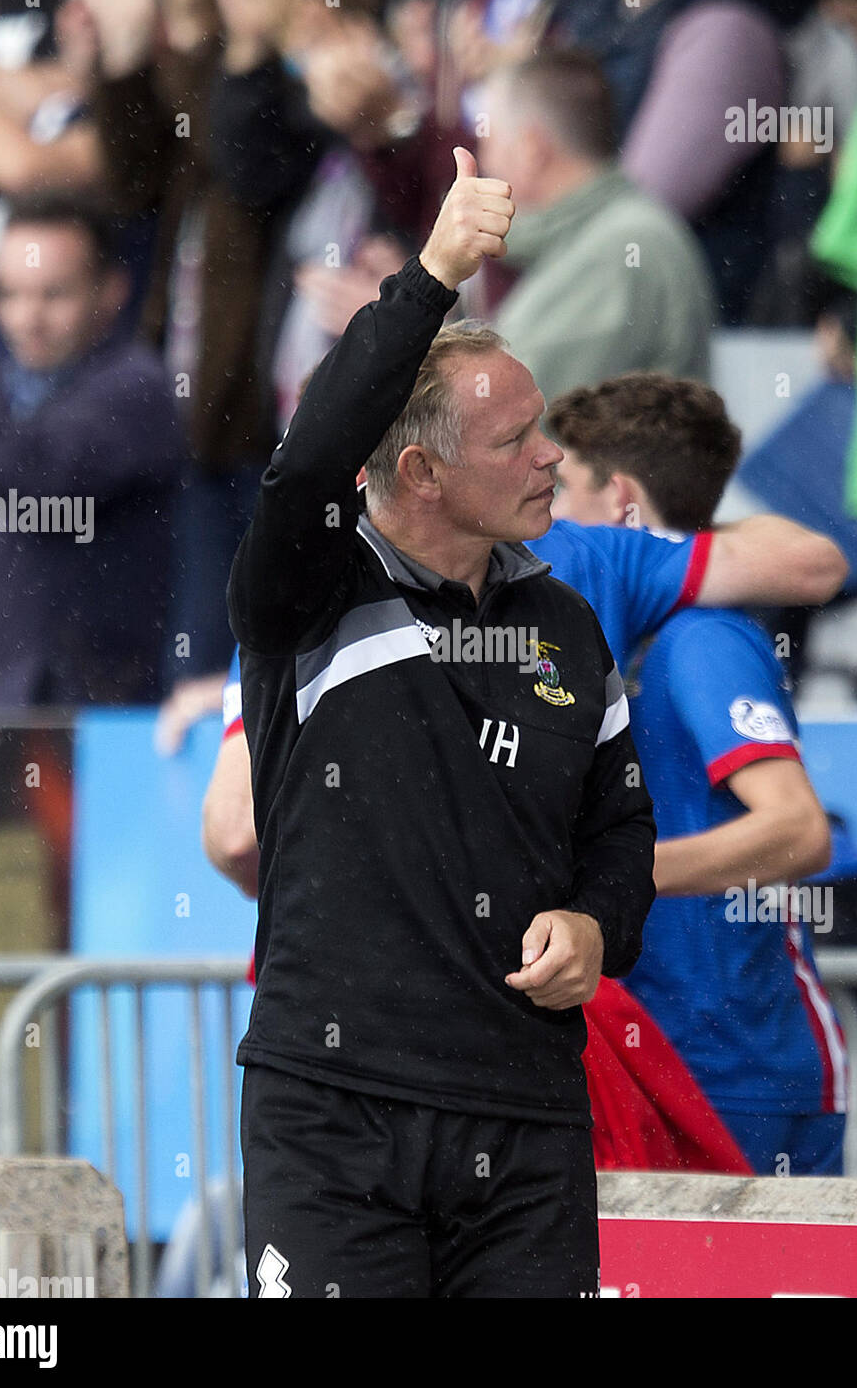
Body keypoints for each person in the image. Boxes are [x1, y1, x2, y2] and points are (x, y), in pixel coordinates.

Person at [229, 147, 661, 1299]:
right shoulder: (308, 590)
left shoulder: (564, 622)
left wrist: (592, 925)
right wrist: (430, 272)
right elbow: (308, 461)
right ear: (419, 469)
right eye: (516, 439)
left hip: (522, 1120)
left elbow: (621, 835)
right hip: (333, 1114)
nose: (550, 454)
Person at [550, 371, 848, 1175]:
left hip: (737, 1069)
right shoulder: (618, 640)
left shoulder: (699, 641)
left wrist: (609, 879)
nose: (541, 503)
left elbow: (796, 829)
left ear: (620, 502)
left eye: (561, 483)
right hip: (656, 1059)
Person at [0, 193, 185, 706]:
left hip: (77, 726)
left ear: (112, 290)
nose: (27, 318)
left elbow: (40, 470)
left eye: (53, 295)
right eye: (11, 294)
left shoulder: (137, 390)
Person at [478, 49, 715, 403]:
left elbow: (498, 414)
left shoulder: (618, 250)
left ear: (531, 148)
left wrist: (405, 334)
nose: (483, 161)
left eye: (487, 140)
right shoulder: (605, 233)